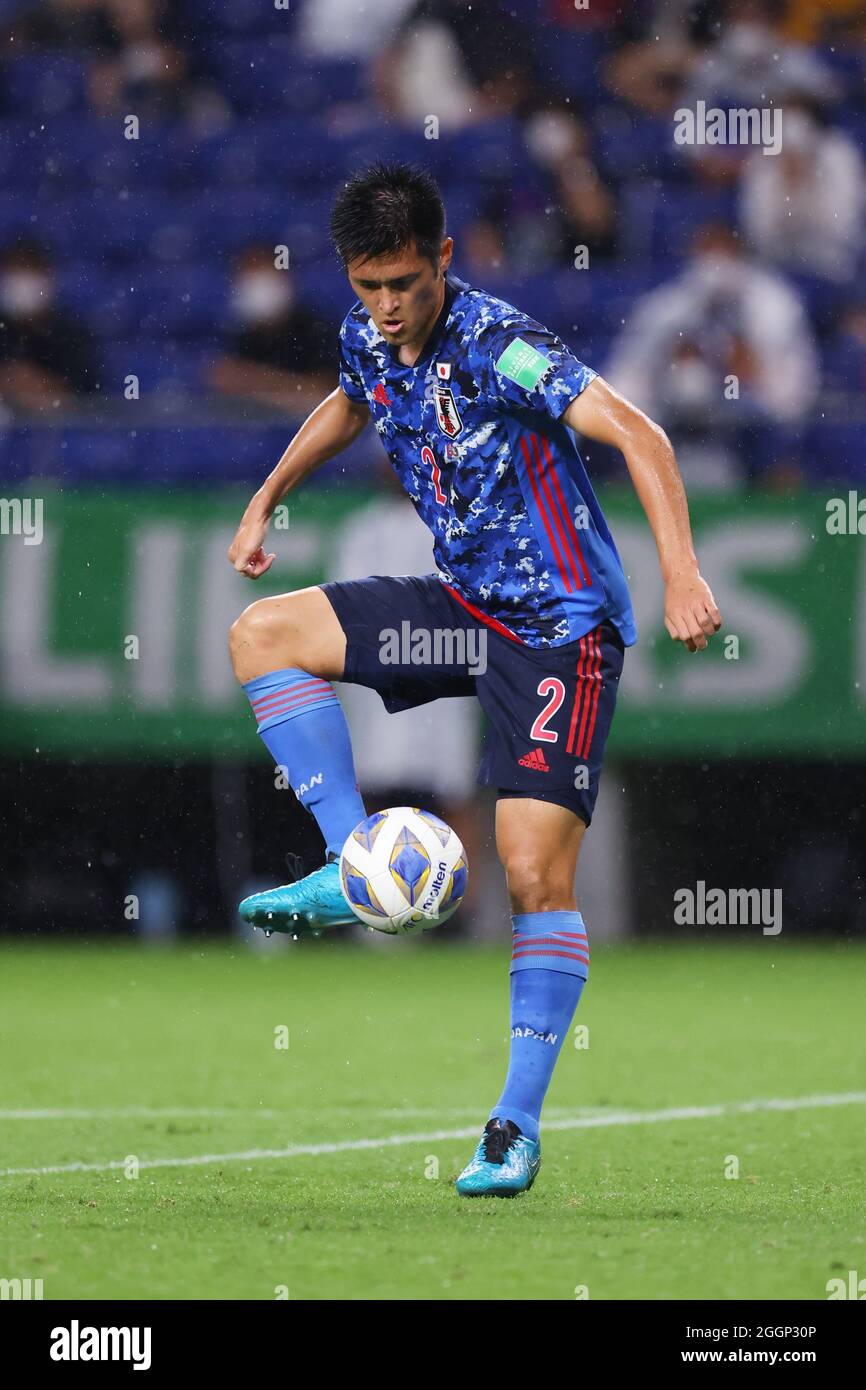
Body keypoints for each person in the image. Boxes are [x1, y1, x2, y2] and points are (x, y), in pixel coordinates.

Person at [226, 164, 720, 1197]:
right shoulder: (366, 336)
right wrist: (269, 493)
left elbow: (640, 433)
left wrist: (681, 572)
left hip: (557, 632)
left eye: (406, 282)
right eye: (369, 285)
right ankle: (351, 860)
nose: (388, 305)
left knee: (532, 873)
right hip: (462, 614)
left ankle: (512, 1129)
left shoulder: (502, 345)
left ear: (443, 258)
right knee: (263, 635)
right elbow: (349, 402)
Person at [210, 247, 337, 416]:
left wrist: (255, 382)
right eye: (251, 277)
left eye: (265, 275)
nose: (258, 287)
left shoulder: (316, 330)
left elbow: (326, 392)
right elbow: (223, 378)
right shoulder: (239, 333)